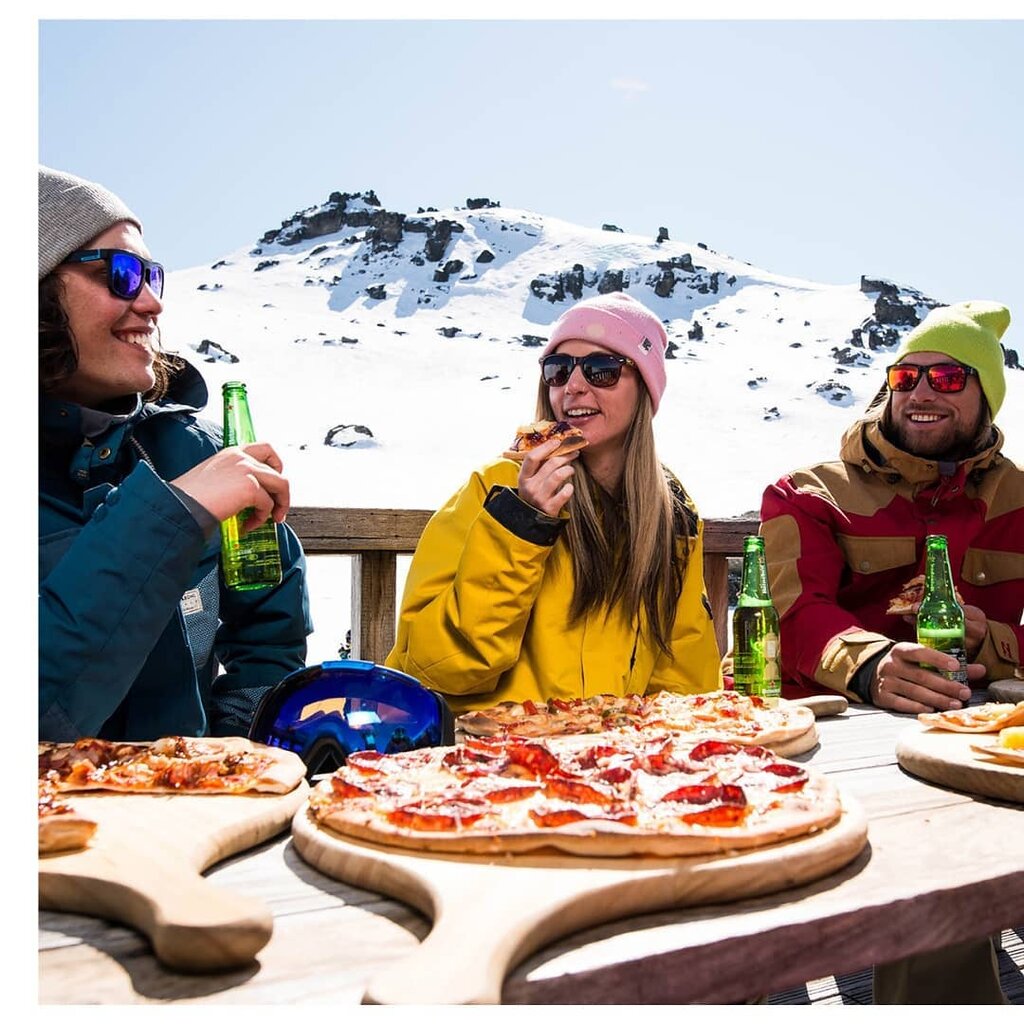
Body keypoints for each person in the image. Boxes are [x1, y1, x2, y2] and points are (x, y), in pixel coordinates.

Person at [760, 299, 1020, 1004]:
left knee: (952, 842)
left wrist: (990, 642)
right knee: (936, 847)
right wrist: (871, 664)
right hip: (841, 731)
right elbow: (793, 611)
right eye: (906, 376)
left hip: (976, 730)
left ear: (987, 395)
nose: (923, 390)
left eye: (948, 376)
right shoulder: (810, 492)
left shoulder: (1018, 501)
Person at [39, 166, 312, 741]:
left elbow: (268, 611)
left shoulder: (191, 447)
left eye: (152, 276)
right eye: (120, 274)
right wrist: (172, 515)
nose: (151, 303)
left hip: (184, 805)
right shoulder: (191, 482)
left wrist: (242, 732)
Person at [385, 291, 722, 711]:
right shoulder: (498, 488)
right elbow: (431, 666)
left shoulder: (671, 512)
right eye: (558, 370)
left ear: (645, 391)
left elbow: (684, 679)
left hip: (615, 761)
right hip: (496, 757)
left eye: (602, 370)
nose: (574, 386)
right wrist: (522, 526)